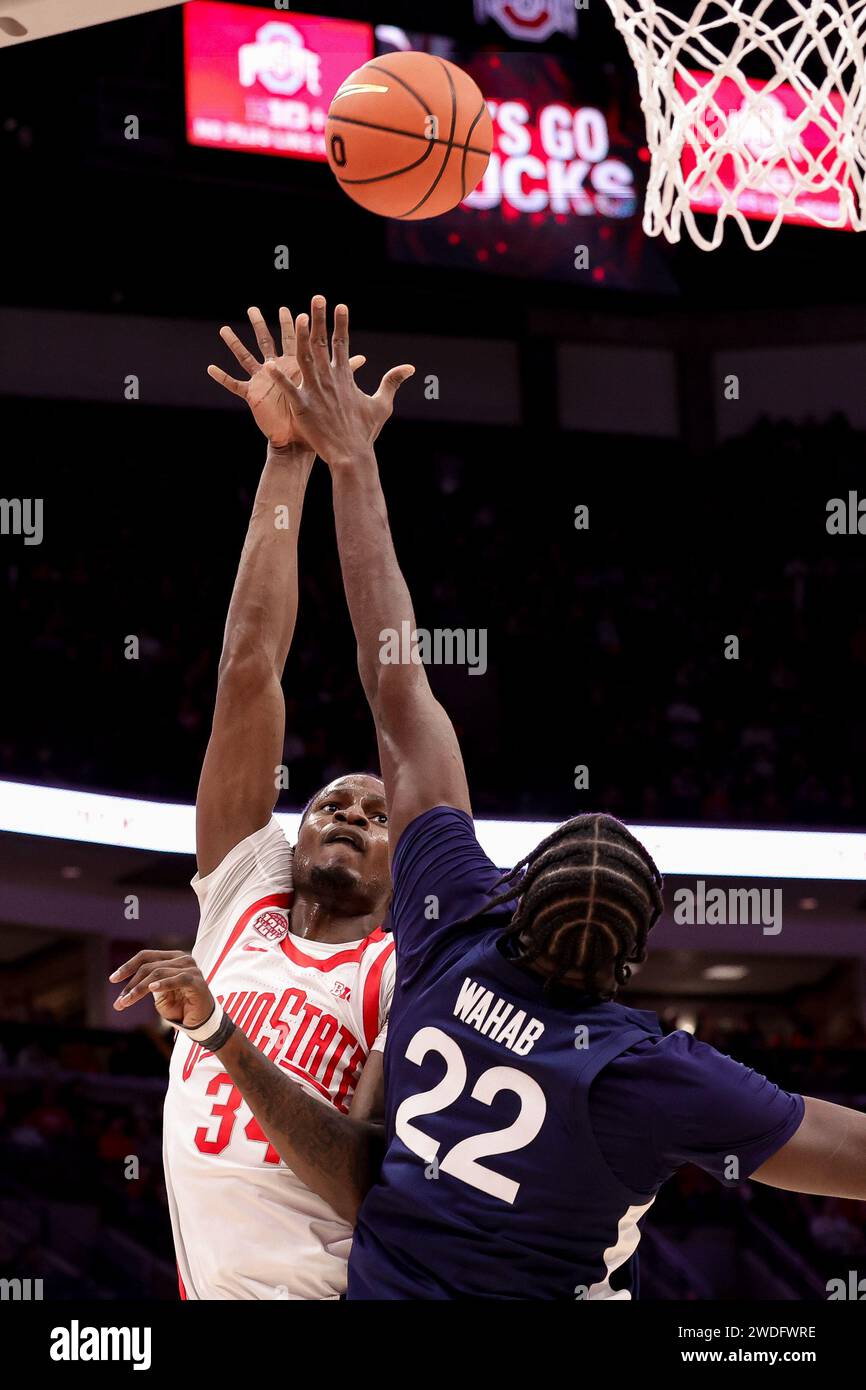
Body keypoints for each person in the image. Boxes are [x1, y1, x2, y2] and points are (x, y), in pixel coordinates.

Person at [269, 294, 866, 1300]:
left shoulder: (450, 912)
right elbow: (845, 1148)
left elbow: (396, 678)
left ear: (513, 886)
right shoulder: (641, 1071)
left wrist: (352, 463)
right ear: (630, 962)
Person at [111, 307, 404, 1300]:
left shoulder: (401, 968)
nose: (351, 816)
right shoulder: (245, 905)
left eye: (377, 817)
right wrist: (287, 460)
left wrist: (222, 1035)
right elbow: (247, 673)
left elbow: (370, 1187)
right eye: (333, 801)